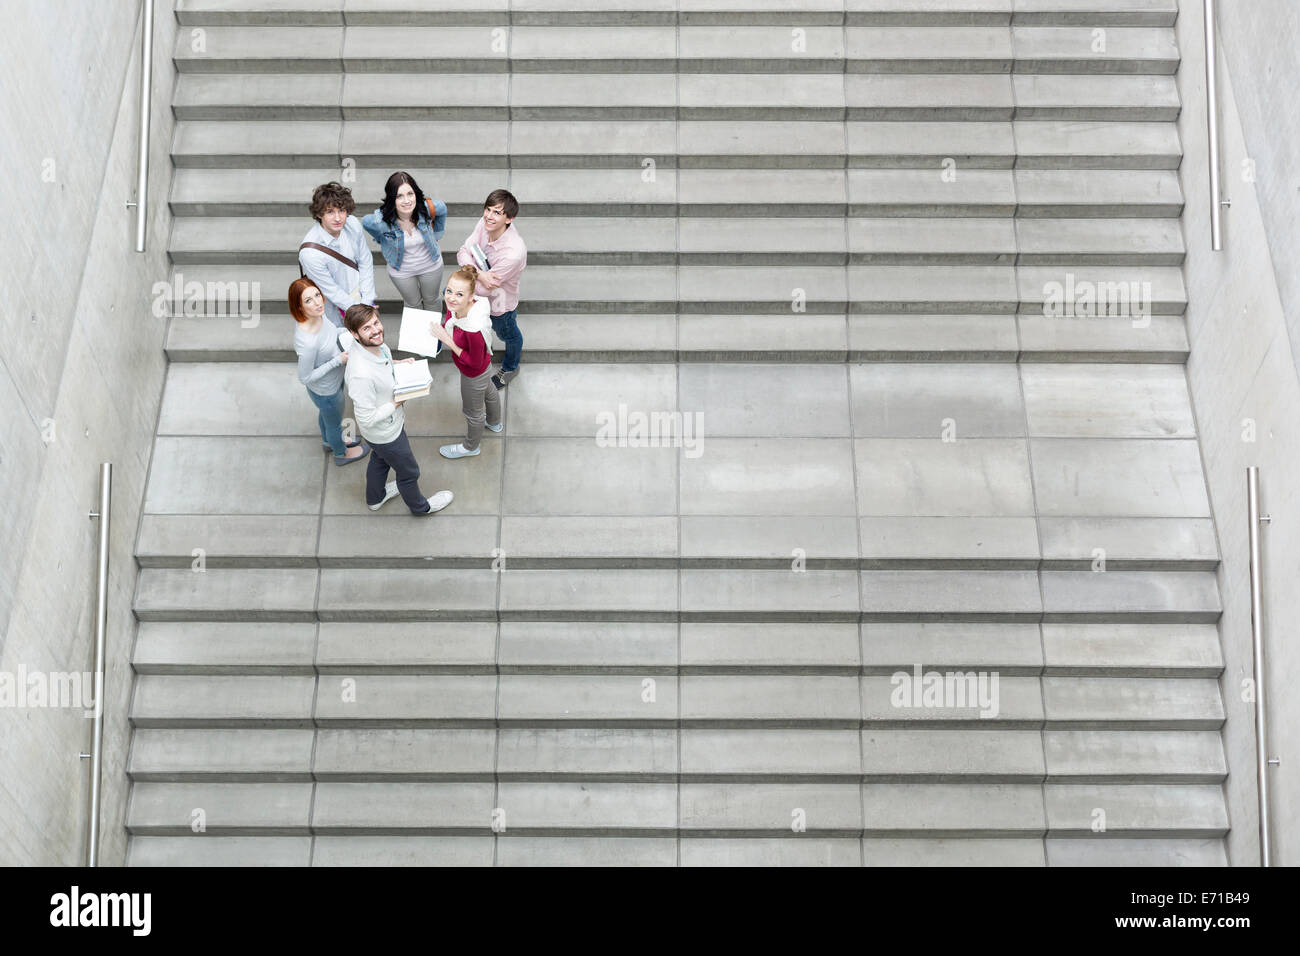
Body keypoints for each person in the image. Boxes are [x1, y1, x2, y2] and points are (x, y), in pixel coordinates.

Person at [342, 303, 453, 516]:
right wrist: (397, 402)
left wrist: (399, 363)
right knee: (409, 472)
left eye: (375, 322)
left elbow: (382, 362)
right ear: (354, 334)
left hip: (381, 435)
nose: (375, 330)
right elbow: (365, 418)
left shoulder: (373, 346)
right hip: (386, 433)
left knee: (380, 459)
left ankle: (375, 498)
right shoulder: (360, 375)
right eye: (366, 328)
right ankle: (421, 508)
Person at [289, 277, 369, 465]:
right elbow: (305, 377)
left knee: (327, 417)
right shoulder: (308, 342)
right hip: (326, 391)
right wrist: (337, 361)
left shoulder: (319, 315)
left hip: (334, 380)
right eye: (308, 300)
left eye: (317, 294)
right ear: (299, 307)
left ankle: (328, 442)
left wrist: (347, 331)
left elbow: (332, 333)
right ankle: (341, 454)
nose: (317, 302)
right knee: (334, 422)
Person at [457, 188, 527, 390]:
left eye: (497, 212)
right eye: (488, 209)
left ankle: (511, 367)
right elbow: (463, 251)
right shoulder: (484, 223)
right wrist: (480, 274)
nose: (489, 216)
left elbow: (486, 288)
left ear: (509, 219)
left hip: (499, 304)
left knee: (509, 335)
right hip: (477, 295)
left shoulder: (513, 252)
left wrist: (473, 272)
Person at [430, 265, 502, 460]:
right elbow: (450, 318)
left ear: (471, 297)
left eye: (459, 294)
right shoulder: (458, 307)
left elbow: (474, 362)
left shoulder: (473, 328)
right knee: (489, 391)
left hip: (474, 373)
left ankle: (471, 447)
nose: (451, 298)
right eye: (449, 291)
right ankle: (495, 423)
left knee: (473, 412)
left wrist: (447, 340)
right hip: (484, 368)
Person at [360, 172, 448, 316]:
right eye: (399, 196)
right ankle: (419, 336)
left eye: (410, 194)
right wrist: (382, 239)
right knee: (413, 304)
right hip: (402, 270)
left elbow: (442, 209)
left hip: (430, 264)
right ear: (391, 198)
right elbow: (366, 223)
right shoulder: (380, 221)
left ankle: (435, 336)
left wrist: (437, 234)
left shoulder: (425, 208)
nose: (406, 201)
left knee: (432, 300)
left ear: (416, 194)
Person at [299, 181, 376, 326]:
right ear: (319, 213)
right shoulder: (310, 252)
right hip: (333, 312)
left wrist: (367, 301)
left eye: (341, 210)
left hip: (361, 299)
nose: (338, 218)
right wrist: (360, 311)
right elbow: (331, 291)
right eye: (330, 212)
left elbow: (365, 261)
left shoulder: (352, 224)